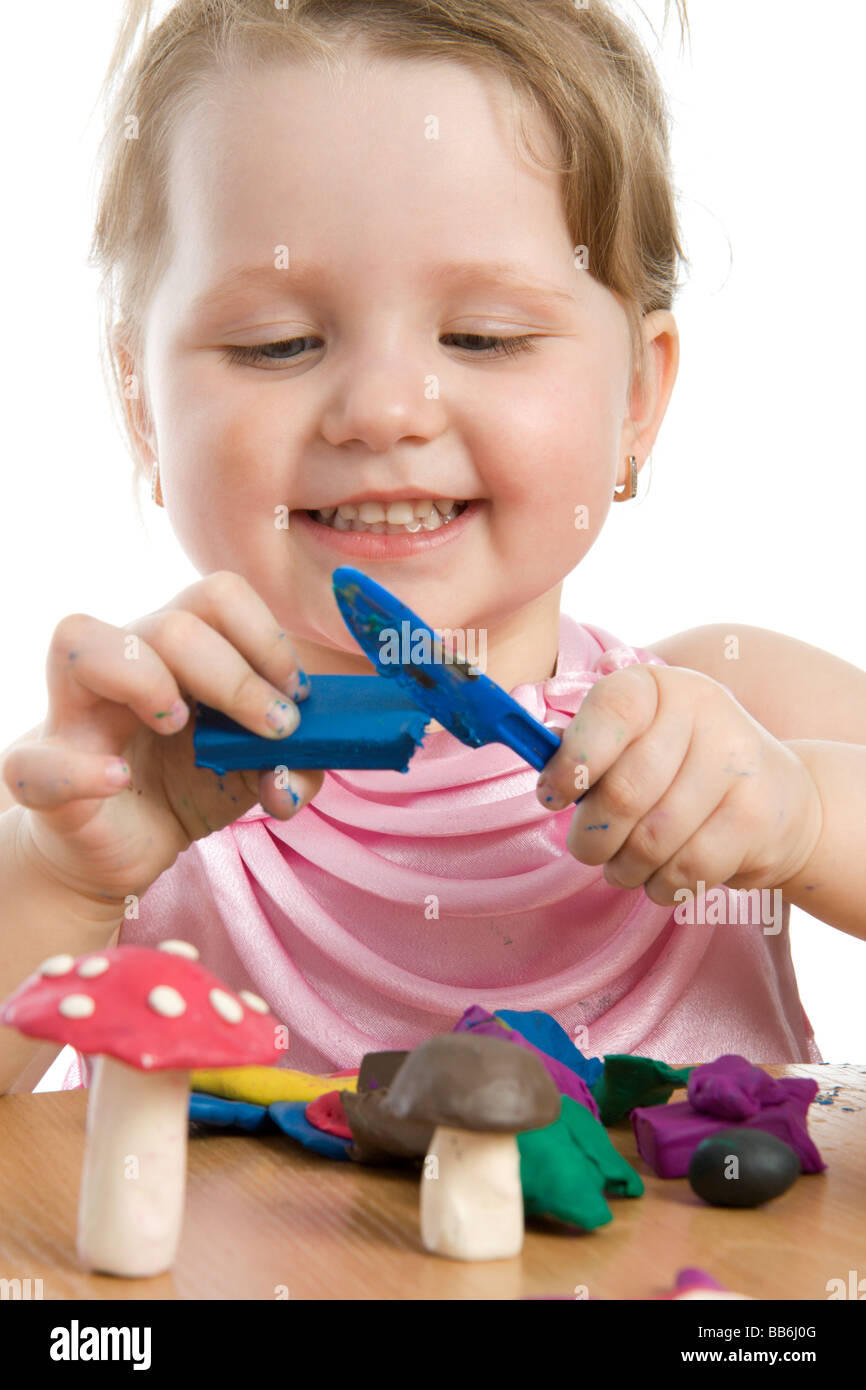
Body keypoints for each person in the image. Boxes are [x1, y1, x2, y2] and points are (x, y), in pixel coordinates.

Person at [2, 0, 864, 1095]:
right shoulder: (122, 777)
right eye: (276, 345)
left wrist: (802, 817)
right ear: (142, 408)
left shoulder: (743, 709)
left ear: (636, 397)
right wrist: (63, 874)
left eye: (482, 337)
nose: (383, 410)